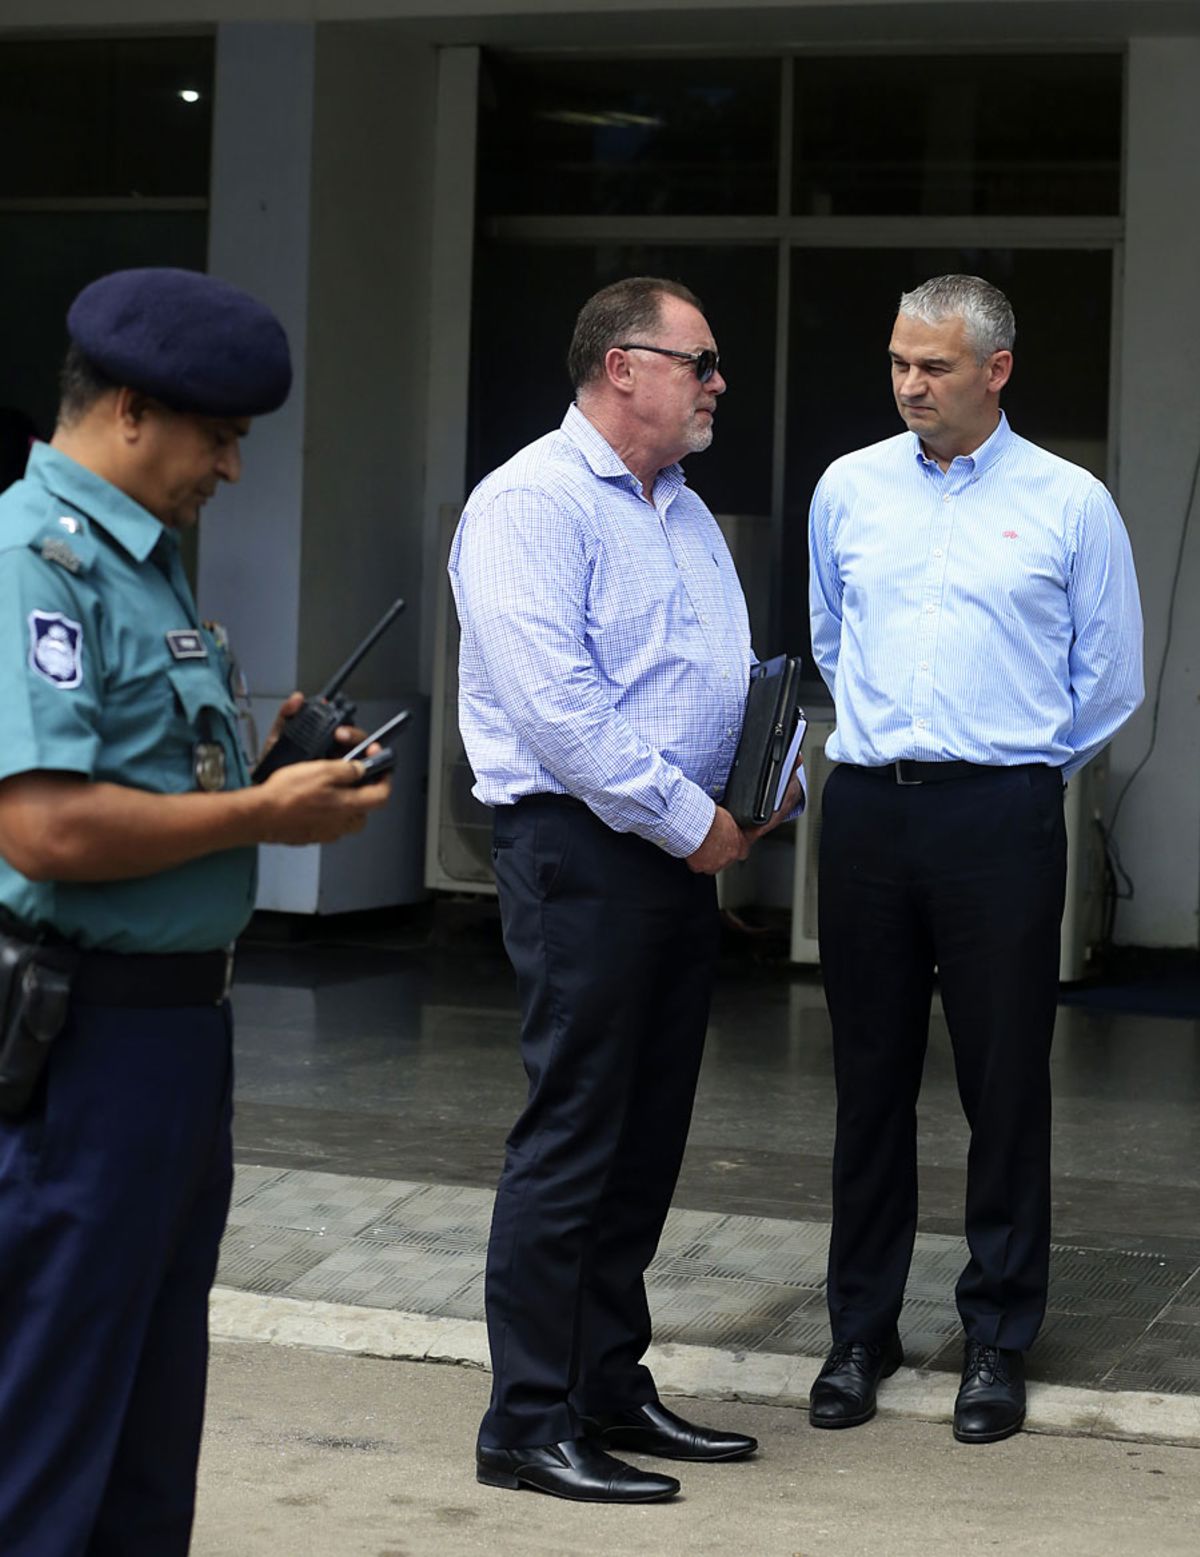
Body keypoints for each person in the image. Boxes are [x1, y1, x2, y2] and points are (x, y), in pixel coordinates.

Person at [0, 267, 392, 1556]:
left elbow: (154, 767)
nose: (229, 468)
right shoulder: (33, 562)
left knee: (151, 1416)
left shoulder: (146, 565)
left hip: (177, 1041)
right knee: (51, 1419)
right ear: (128, 410)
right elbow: (44, 826)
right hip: (81, 1044)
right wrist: (260, 820)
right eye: (216, 438)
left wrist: (269, 759)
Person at [451, 276, 799, 1504]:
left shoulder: (687, 513)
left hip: (678, 851)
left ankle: (607, 1384)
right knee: (574, 1134)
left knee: (645, 1138)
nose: (717, 384)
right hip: (582, 852)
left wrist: (765, 783)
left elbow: (715, 676)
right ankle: (525, 1419)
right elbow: (560, 711)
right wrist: (687, 817)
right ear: (621, 367)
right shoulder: (528, 502)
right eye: (698, 362)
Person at [806, 274, 1143, 1445]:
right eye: (899, 362)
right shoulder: (847, 487)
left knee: (1004, 1086)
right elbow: (830, 635)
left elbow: (1109, 680)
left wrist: (1015, 769)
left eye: (934, 366)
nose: (910, 385)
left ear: (995, 369)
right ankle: (860, 1329)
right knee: (867, 1083)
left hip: (999, 817)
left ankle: (997, 1337)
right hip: (866, 816)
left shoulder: (1070, 503)